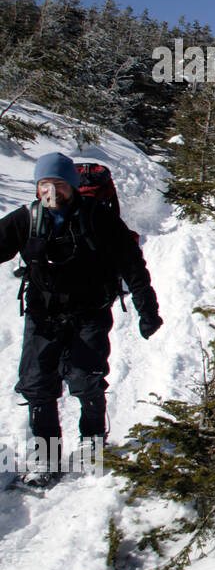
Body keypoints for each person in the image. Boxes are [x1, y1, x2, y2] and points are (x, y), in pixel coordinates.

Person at [0, 152, 162, 489]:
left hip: (89, 312)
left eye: (59, 184)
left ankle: (93, 447)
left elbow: (132, 264)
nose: (52, 191)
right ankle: (47, 459)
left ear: (72, 186)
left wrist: (147, 308)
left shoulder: (98, 218)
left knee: (87, 379)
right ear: (37, 187)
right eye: (45, 185)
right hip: (42, 316)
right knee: (37, 384)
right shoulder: (25, 219)